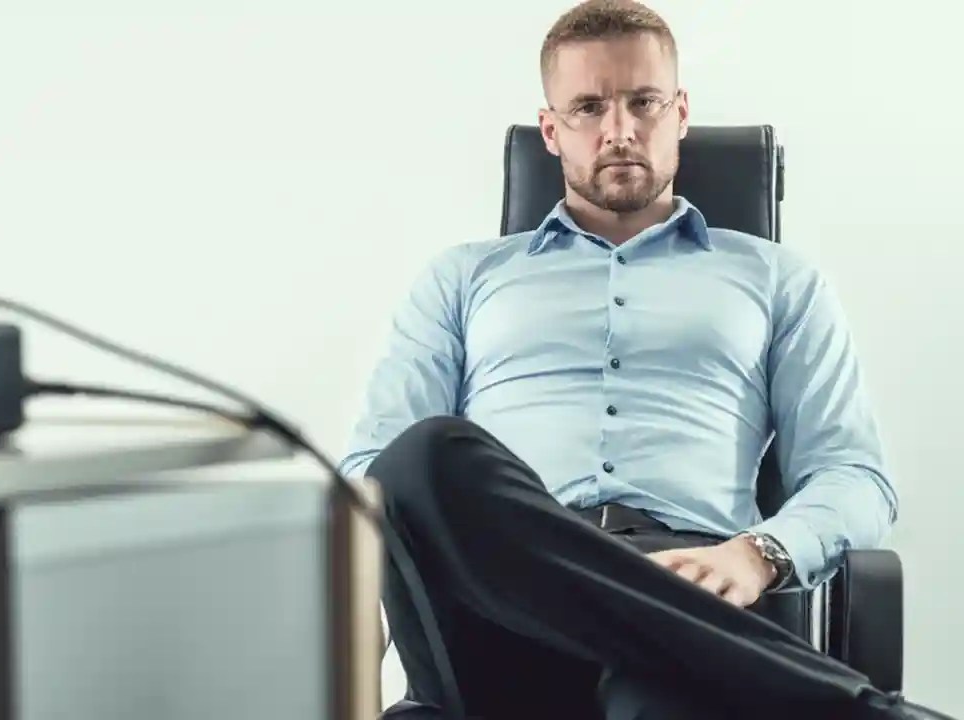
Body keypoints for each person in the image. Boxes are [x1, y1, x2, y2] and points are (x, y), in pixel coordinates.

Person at [339, 1, 954, 719]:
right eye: (588, 107)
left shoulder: (779, 280)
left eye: (643, 101)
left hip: (692, 579)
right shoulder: (463, 278)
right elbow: (374, 472)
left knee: (658, 707)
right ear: (551, 130)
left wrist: (754, 555)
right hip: (501, 601)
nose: (619, 130)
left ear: (681, 112)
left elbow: (856, 476)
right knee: (424, 456)